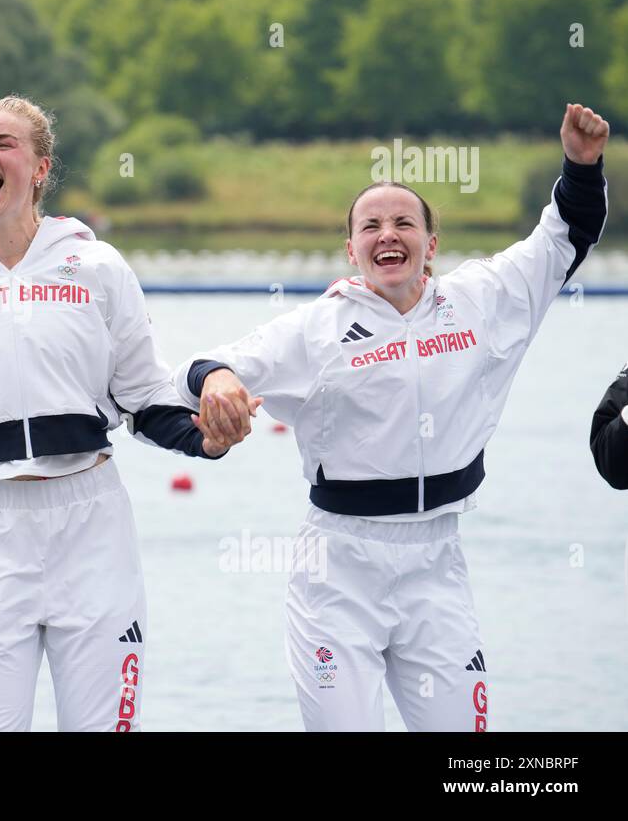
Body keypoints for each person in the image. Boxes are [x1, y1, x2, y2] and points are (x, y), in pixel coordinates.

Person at [175, 103, 610, 731]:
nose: (388, 235)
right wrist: (216, 380)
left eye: (404, 222)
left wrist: (581, 162)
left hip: (437, 560)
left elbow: (563, 237)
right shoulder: (316, 330)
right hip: (339, 571)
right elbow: (204, 365)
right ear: (351, 249)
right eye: (371, 226)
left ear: (431, 245)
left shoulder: (479, 301)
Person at [0, 95, 247, 732]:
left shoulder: (98, 266)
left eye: (4, 144)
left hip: (90, 526)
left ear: (39, 167)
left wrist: (209, 443)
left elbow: (144, 399)